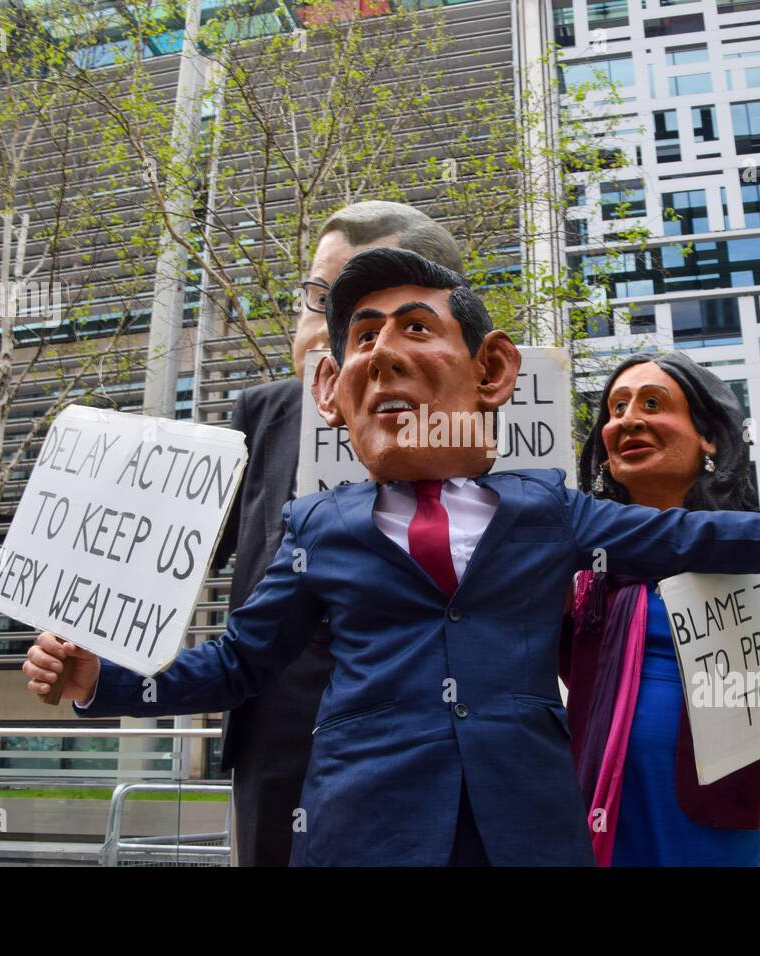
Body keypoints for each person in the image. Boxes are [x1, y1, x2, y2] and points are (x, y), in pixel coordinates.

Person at [24, 248, 760, 866]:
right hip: (364, 832)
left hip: (528, 833)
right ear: (333, 398)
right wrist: (100, 681)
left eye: (416, 328)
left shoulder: (547, 509)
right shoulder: (316, 528)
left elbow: (701, 537)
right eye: (361, 339)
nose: (384, 353)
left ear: (495, 373)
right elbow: (236, 663)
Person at [207, 201, 463, 866]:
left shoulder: (486, 420)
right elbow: (187, 554)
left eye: (355, 299)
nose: (324, 321)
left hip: (423, 728)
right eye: (317, 296)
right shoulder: (262, 414)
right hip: (276, 731)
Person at [564, 351, 760, 865]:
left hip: (707, 819)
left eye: (651, 403)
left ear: (708, 437)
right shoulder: (577, 565)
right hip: (589, 807)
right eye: (616, 408)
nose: (629, 420)